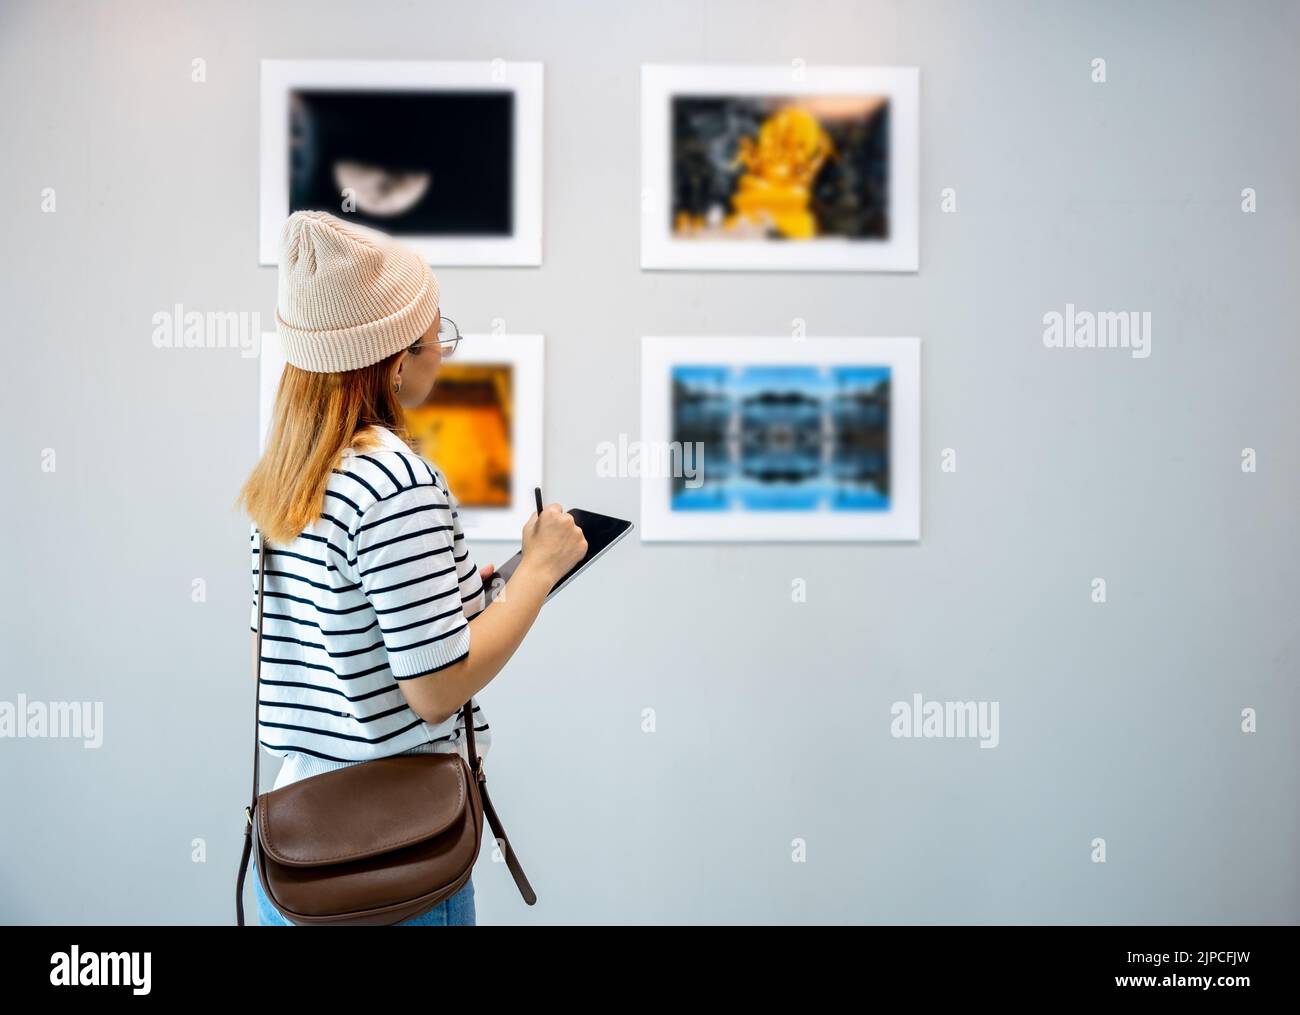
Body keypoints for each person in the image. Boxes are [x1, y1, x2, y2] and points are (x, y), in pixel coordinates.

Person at [237, 210, 586, 925]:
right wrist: (537, 574)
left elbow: (278, 663)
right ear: (396, 363)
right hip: (396, 865)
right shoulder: (396, 480)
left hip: (301, 858)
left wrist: (454, 604)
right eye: (437, 337)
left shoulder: (286, 478)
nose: (443, 354)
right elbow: (433, 691)